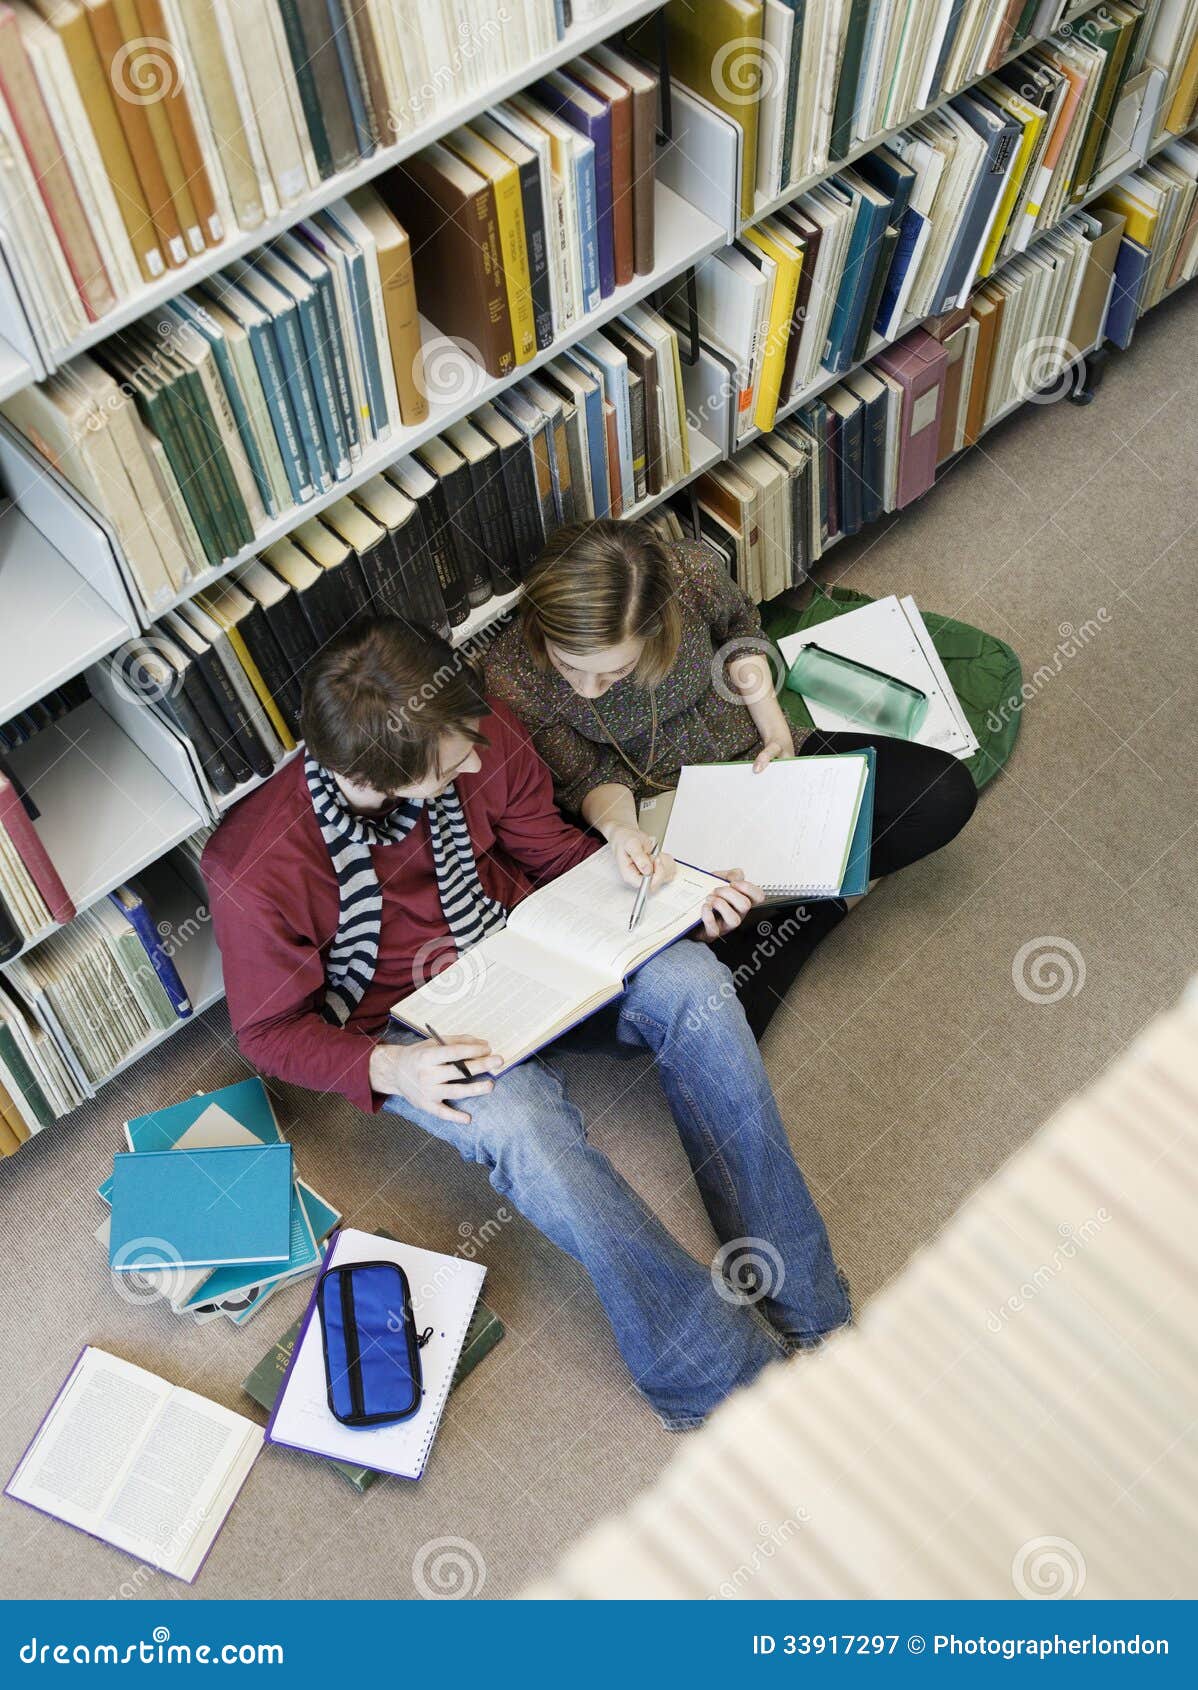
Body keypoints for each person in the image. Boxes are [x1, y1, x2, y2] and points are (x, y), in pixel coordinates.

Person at [203, 617, 851, 1431]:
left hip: (523, 937)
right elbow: (268, 1031)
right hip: (402, 1026)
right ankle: (715, 1375)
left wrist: (668, 888)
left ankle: (809, 1301)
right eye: (452, 766)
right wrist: (391, 1071)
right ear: (369, 775)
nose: (479, 758)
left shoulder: (470, 726)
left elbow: (546, 850)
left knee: (697, 984)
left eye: (472, 739)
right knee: (527, 1131)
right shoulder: (252, 865)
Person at [484, 519, 978, 1039]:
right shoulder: (510, 671)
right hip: (656, 814)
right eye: (569, 666)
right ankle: (808, 902)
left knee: (943, 793)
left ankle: (785, 911)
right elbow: (585, 776)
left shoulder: (692, 572)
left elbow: (741, 631)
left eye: (615, 672)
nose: (588, 690)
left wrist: (773, 725)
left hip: (754, 758)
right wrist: (622, 834)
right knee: (720, 1021)